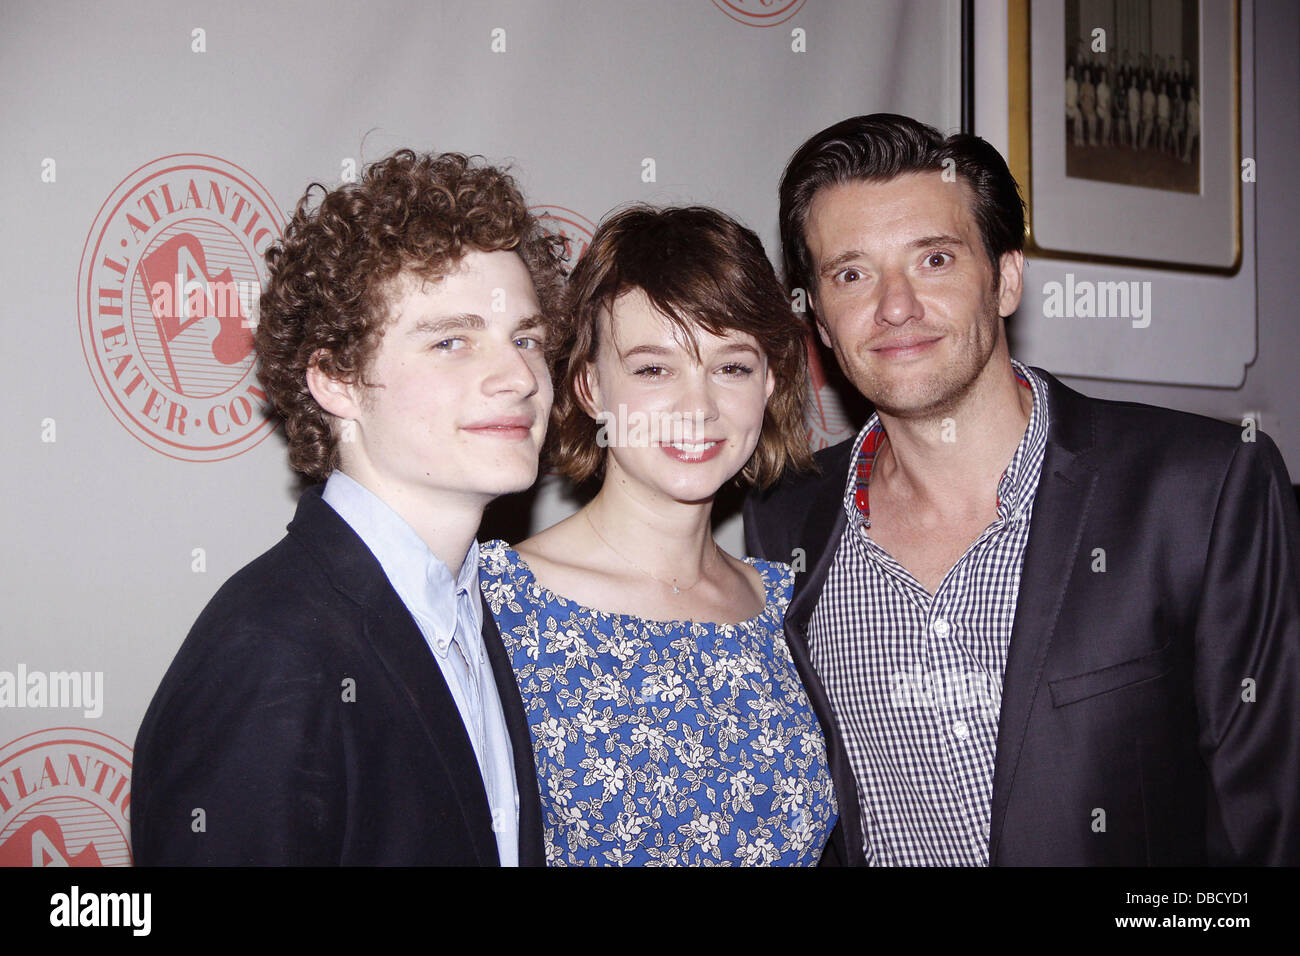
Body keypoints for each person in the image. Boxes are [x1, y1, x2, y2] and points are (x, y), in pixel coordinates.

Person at [746, 113, 1300, 865]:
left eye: (935, 259)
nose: (896, 305)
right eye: (851, 274)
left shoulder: (1201, 489)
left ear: (1005, 278)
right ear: (817, 317)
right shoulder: (785, 521)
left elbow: (1264, 831)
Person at [131, 150, 566, 865]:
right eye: (452, 342)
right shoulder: (268, 654)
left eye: (526, 338)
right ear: (335, 380)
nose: (520, 376)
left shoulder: (466, 611)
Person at [479, 205, 840, 865]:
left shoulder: (799, 610)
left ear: (771, 381)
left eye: (731, 367)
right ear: (590, 385)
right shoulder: (496, 608)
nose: (697, 407)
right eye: (654, 369)